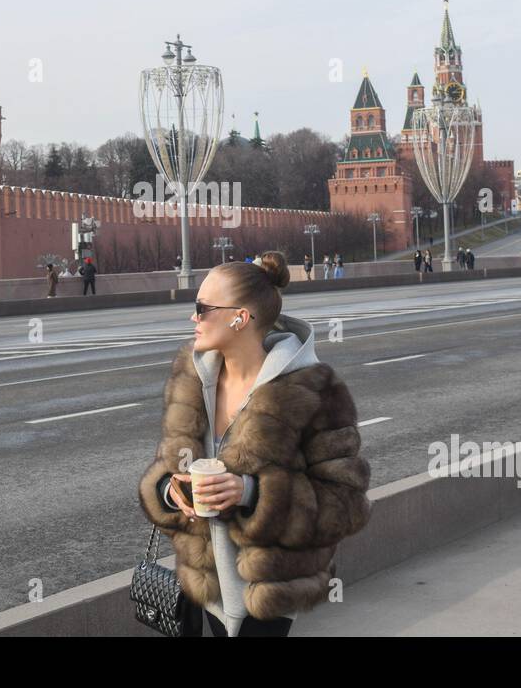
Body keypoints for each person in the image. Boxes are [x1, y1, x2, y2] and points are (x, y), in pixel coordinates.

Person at [138, 251, 371, 637]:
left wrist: (251, 494)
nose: (193, 318)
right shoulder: (191, 378)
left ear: (239, 317)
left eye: (202, 307)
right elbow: (167, 464)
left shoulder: (311, 389)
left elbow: (346, 503)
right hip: (202, 585)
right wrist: (167, 490)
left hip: (269, 591)